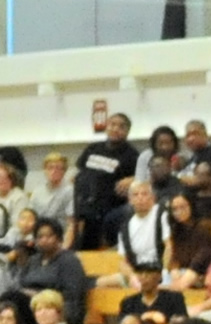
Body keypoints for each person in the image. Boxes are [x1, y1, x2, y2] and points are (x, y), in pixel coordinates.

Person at [73, 111, 139, 250]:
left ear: (127, 131)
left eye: (121, 126)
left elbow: (140, 180)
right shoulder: (93, 148)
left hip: (110, 207)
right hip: (85, 203)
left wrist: (133, 179)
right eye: (112, 124)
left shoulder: (132, 155)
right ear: (107, 127)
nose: (115, 129)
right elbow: (79, 173)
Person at [97, 180, 171, 289]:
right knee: (101, 283)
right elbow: (123, 262)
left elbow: (169, 246)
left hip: (160, 271)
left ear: (152, 198)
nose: (140, 198)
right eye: (136, 195)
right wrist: (132, 277)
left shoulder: (162, 214)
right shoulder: (125, 227)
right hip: (138, 272)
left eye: (144, 194)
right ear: (130, 200)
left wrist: (164, 273)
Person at [13, 220, 88, 324]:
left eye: (49, 236)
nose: (44, 240)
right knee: (11, 299)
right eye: (40, 237)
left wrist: (40, 296)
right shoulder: (33, 260)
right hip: (29, 304)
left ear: (58, 238)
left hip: (60, 308)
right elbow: (20, 284)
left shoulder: (69, 260)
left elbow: (74, 294)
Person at [163, 193, 211, 288]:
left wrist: (187, 274)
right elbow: (174, 256)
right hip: (181, 272)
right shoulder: (176, 230)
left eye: (183, 207)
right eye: (175, 209)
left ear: (191, 206)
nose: (179, 212)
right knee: (167, 275)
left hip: (199, 273)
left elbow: (203, 256)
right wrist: (174, 269)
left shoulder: (204, 227)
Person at [29, 153, 73, 232]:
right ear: (44, 170)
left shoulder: (70, 191)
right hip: (39, 233)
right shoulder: (37, 191)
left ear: (64, 171)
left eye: (58, 168)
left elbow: (71, 222)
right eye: (50, 168)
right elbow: (31, 216)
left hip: (60, 233)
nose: (54, 171)